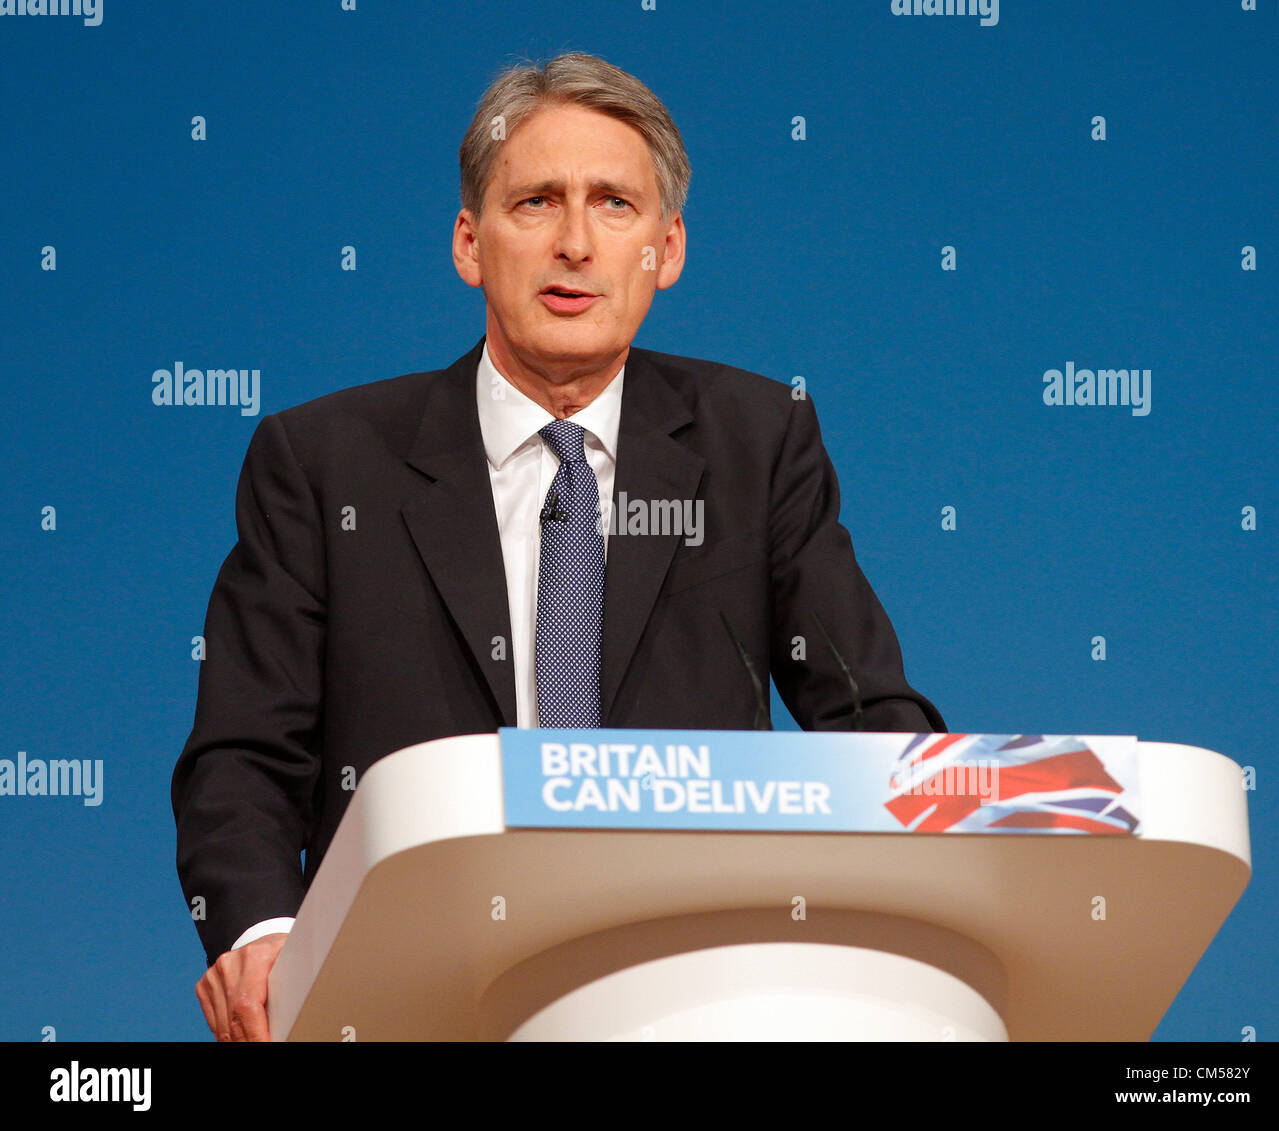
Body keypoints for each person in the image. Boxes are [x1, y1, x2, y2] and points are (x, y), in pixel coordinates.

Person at [172, 51, 945, 1042]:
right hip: (407, 988)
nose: (574, 243)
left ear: (665, 249)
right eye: (535, 202)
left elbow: (866, 712)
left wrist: (943, 846)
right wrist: (266, 933)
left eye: (614, 206)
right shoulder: (323, 463)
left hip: (696, 990)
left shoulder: (756, 441)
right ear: (469, 242)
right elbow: (241, 754)